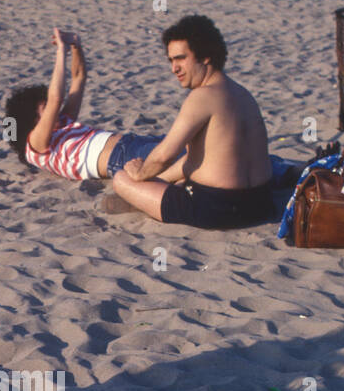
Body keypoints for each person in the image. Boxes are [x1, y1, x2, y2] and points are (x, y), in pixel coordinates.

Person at [111, 15, 276, 230]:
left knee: (121, 179)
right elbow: (194, 159)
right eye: (171, 60)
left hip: (217, 209)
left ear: (206, 56)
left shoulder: (202, 97)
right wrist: (159, 178)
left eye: (180, 58)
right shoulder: (243, 94)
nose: (174, 68)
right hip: (261, 203)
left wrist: (139, 173)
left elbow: (164, 156)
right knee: (177, 175)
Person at [4, 28, 173, 182]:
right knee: (185, 157)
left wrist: (76, 45)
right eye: (45, 108)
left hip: (134, 141)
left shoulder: (63, 124)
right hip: (123, 157)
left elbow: (79, 77)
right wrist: (61, 51)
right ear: (33, 120)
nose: (52, 111)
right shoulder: (35, 145)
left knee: (194, 141)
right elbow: (56, 98)